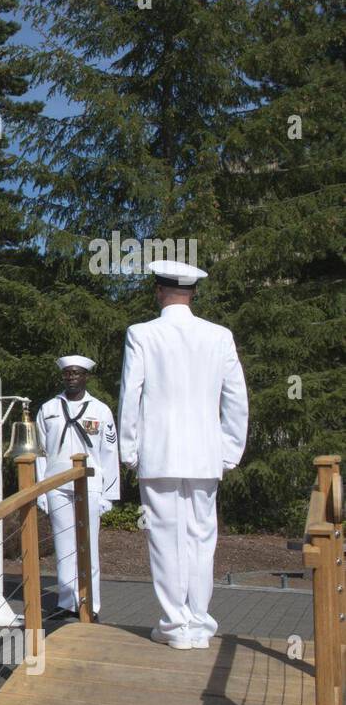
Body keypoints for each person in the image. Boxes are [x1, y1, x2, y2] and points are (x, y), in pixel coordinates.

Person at [119, 259, 248, 650]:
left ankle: (175, 625)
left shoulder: (141, 333)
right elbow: (236, 396)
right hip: (205, 455)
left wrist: (129, 450)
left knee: (164, 538)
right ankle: (199, 624)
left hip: (159, 453)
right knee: (201, 538)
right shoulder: (219, 335)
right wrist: (229, 450)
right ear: (193, 293)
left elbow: (131, 395)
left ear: (159, 291)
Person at [35, 355, 120, 617]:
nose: (71, 377)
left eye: (77, 373)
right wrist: (40, 489)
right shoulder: (48, 408)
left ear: (86, 377)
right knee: (64, 546)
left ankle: (90, 604)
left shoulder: (100, 410)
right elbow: (40, 451)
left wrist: (109, 493)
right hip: (56, 483)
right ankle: (66, 602)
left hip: (90, 483)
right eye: (67, 373)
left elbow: (109, 452)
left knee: (88, 545)